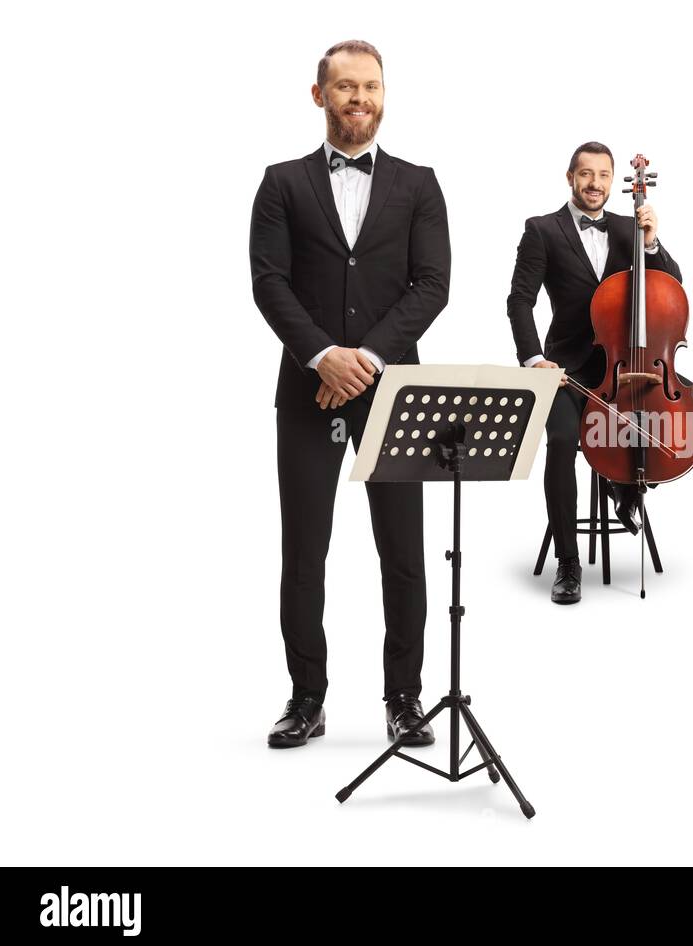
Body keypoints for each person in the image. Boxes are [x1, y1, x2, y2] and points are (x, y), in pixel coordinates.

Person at [250, 40, 451, 747]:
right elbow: (269, 282)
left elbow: (432, 285)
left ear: (384, 95)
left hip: (395, 389)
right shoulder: (281, 183)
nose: (358, 97)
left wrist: (361, 360)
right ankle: (307, 698)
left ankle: (404, 698)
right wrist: (320, 357)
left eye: (369, 86)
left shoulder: (420, 183)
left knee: (403, 552)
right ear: (319, 96)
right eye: (344, 86)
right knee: (304, 551)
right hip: (305, 390)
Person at [507, 142, 693, 604]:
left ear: (612, 180)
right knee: (563, 441)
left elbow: (671, 287)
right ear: (570, 178)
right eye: (586, 174)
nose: (596, 184)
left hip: (632, 369)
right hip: (566, 371)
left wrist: (652, 243)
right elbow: (519, 300)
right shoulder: (542, 230)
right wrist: (533, 359)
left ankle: (628, 489)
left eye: (604, 175)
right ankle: (568, 561)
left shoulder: (631, 227)